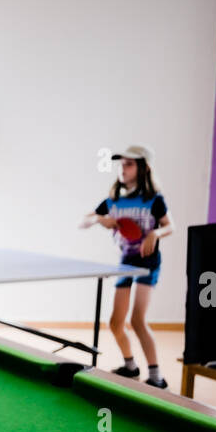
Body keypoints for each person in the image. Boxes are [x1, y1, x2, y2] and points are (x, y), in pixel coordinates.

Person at [79, 145, 174, 389]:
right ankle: (130, 366)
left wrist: (155, 233)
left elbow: (170, 226)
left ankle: (156, 377)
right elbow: (84, 221)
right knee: (115, 323)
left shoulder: (154, 200)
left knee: (137, 320)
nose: (123, 169)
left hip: (147, 264)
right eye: (121, 164)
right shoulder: (114, 200)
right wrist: (101, 219)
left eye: (129, 164)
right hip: (125, 263)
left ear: (143, 168)